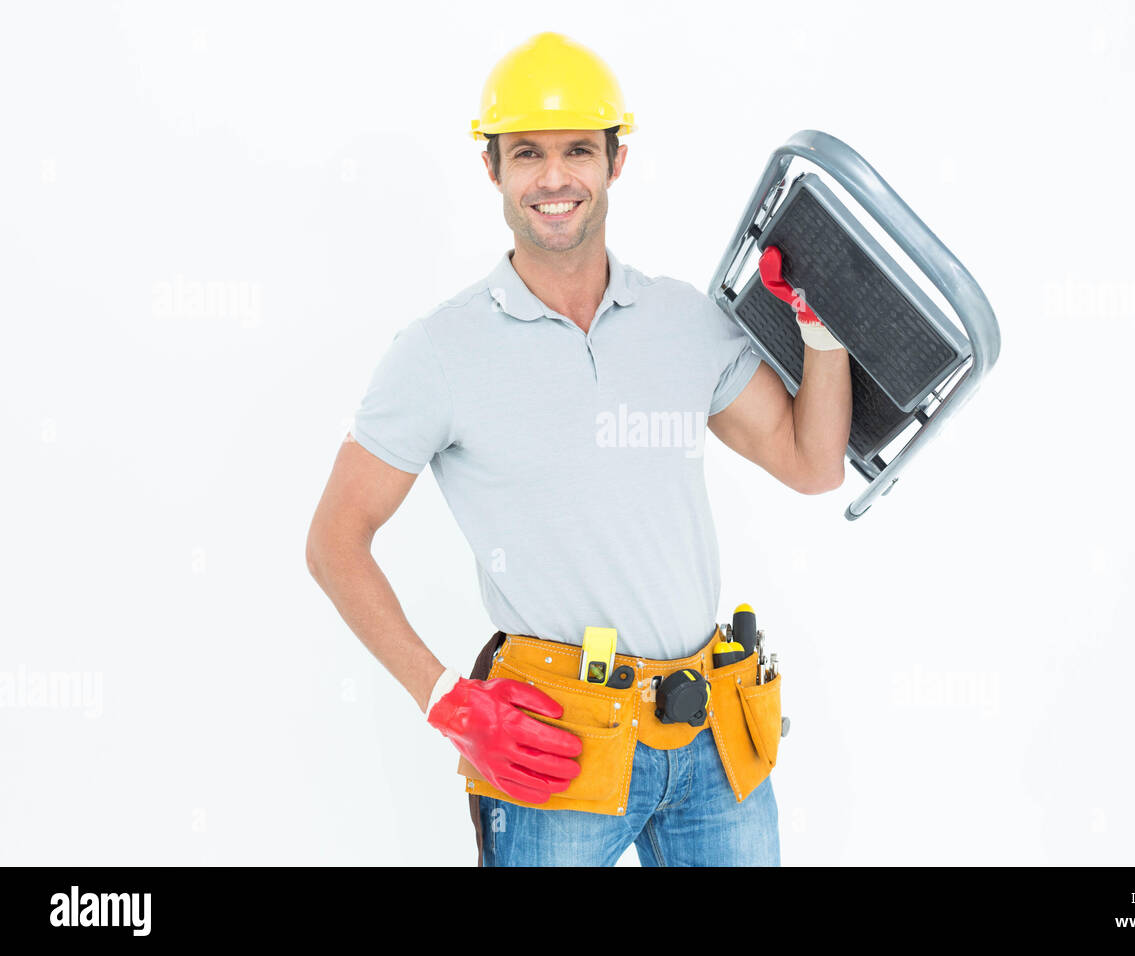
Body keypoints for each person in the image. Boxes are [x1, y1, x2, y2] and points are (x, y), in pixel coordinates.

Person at [305, 31, 852, 866]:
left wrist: (821, 326)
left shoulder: (686, 322)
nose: (553, 179)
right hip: (558, 746)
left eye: (576, 152)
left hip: (712, 736)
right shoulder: (438, 352)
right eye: (527, 153)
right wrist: (445, 698)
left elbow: (812, 464)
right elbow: (334, 543)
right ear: (492, 168)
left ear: (615, 161)